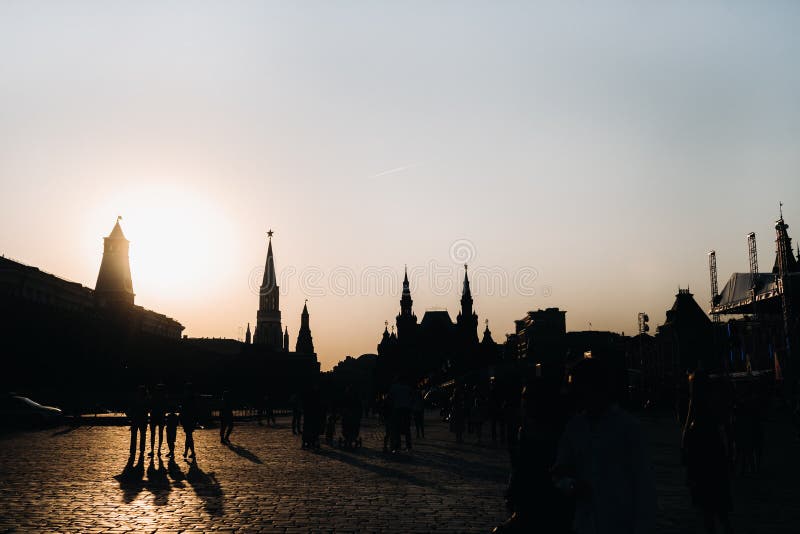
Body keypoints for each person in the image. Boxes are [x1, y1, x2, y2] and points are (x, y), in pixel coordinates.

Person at [554, 357, 656, 534]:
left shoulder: (628, 428)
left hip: (620, 523)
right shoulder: (574, 428)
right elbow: (559, 471)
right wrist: (571, 485)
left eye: (577, 388)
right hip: (585, 524)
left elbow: (644, 486)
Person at [682, 369, 734, 534]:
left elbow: (688, 448)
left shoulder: (698, 419)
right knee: (721, 517)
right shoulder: (713, 413)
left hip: (704, 474)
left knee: (709, 518)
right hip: (716, 472)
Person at [388, 376, 412, 452]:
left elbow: (390, 398)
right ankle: (408, 445)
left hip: (397, 408)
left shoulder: (394, 387)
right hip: (406, 409)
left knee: (397, 427)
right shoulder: (407, 388)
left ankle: (397, 445)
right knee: (407, 428)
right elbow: (411, 398)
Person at [126, 385, 149, 462]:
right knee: (142, 435)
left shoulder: (135, 399)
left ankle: (133, 450)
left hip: (135, 419)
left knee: (134, 436)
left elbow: (130, 408)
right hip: (142, 420)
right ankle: (141, 450)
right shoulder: (146, 400)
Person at [149, 384, 167, 457]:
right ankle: (158, 450)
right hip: (160, 416)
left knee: (153, 434)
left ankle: (153, 450)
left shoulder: (153, 397)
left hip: (154, 416)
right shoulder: (164, 398)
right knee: (160, 434)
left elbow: (150, 406)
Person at [180, 383, 197, 460]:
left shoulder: (186, 398)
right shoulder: (192, 398)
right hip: (190, 419)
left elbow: (183, 409)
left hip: (188, 419)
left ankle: (187, 452)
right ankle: (191, 452)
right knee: (189, 436)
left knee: (188, 436)